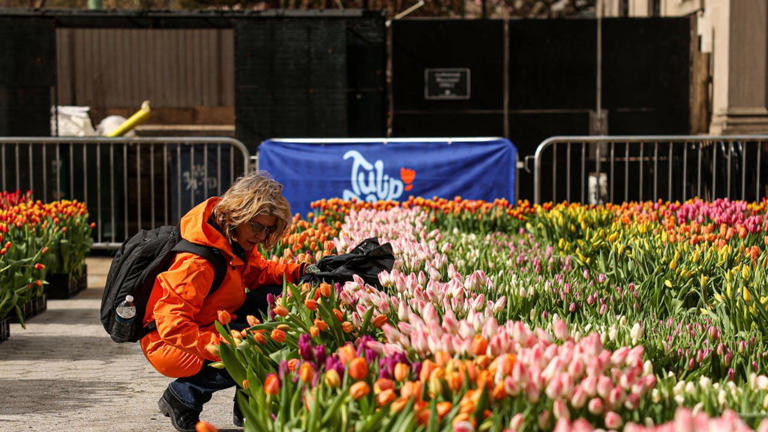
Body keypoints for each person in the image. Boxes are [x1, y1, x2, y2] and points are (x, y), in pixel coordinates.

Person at [140, 171, 314, 431]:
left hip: (209, 322)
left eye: (268, 229)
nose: (261, 236)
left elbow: (257, 273)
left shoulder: (232, 241)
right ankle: (183, 397)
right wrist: (225, 346)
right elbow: (172, 325)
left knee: (271, 303)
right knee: (254, 345)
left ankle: (247, 406)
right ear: (238, 214)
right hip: (168, 342)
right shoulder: (197, 263)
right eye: (257, 226)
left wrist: (302, 271)